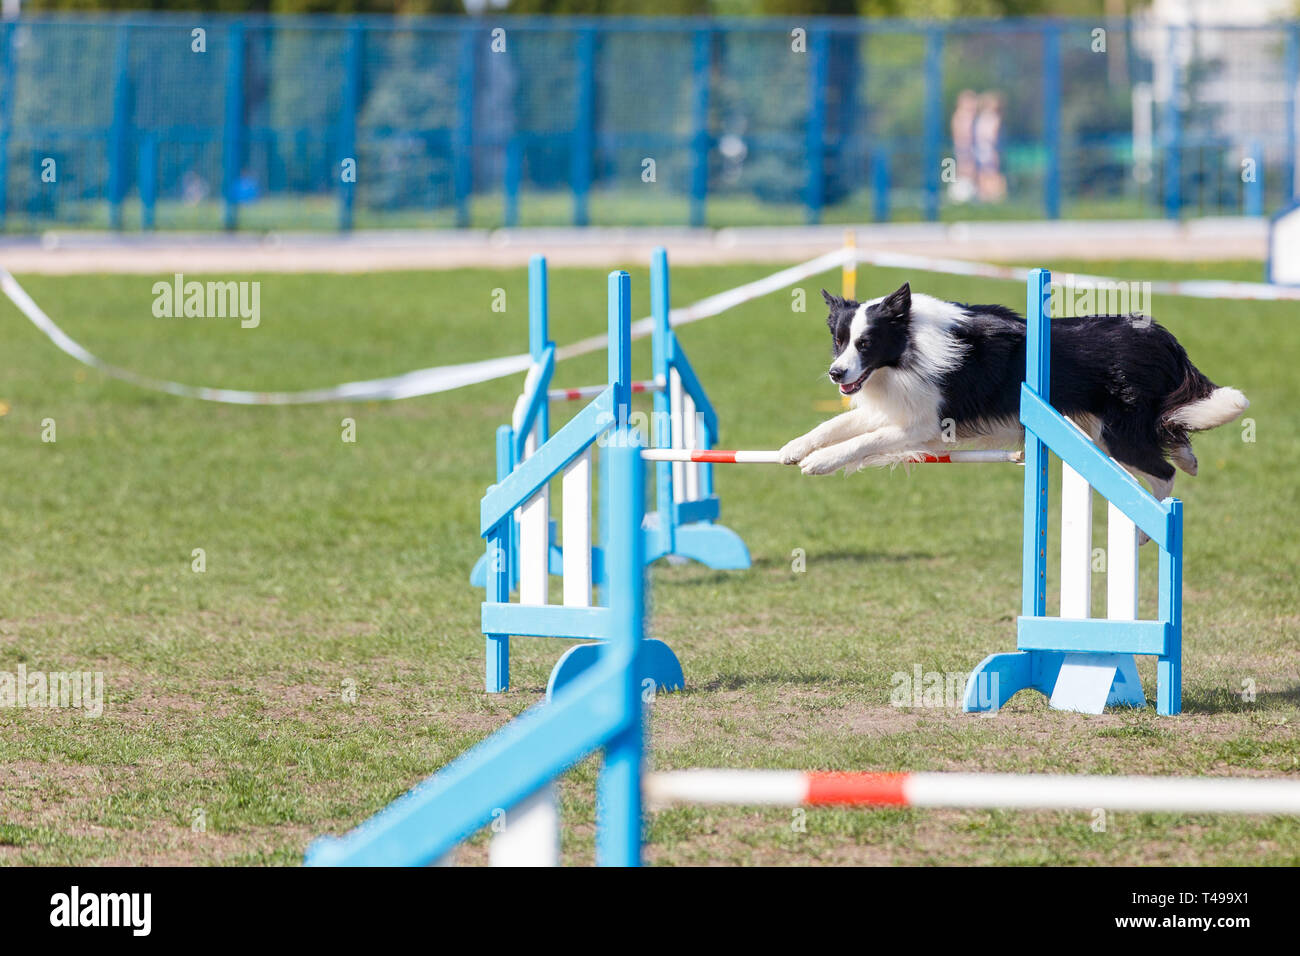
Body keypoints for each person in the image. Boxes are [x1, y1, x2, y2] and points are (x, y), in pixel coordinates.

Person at [974, 92, 1006, 203]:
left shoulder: (989, 118)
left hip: (987, 149)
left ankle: (993, 196)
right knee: (986, 172)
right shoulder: (988, 117)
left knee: (990, 172)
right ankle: (988, 196)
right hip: (985, 149)